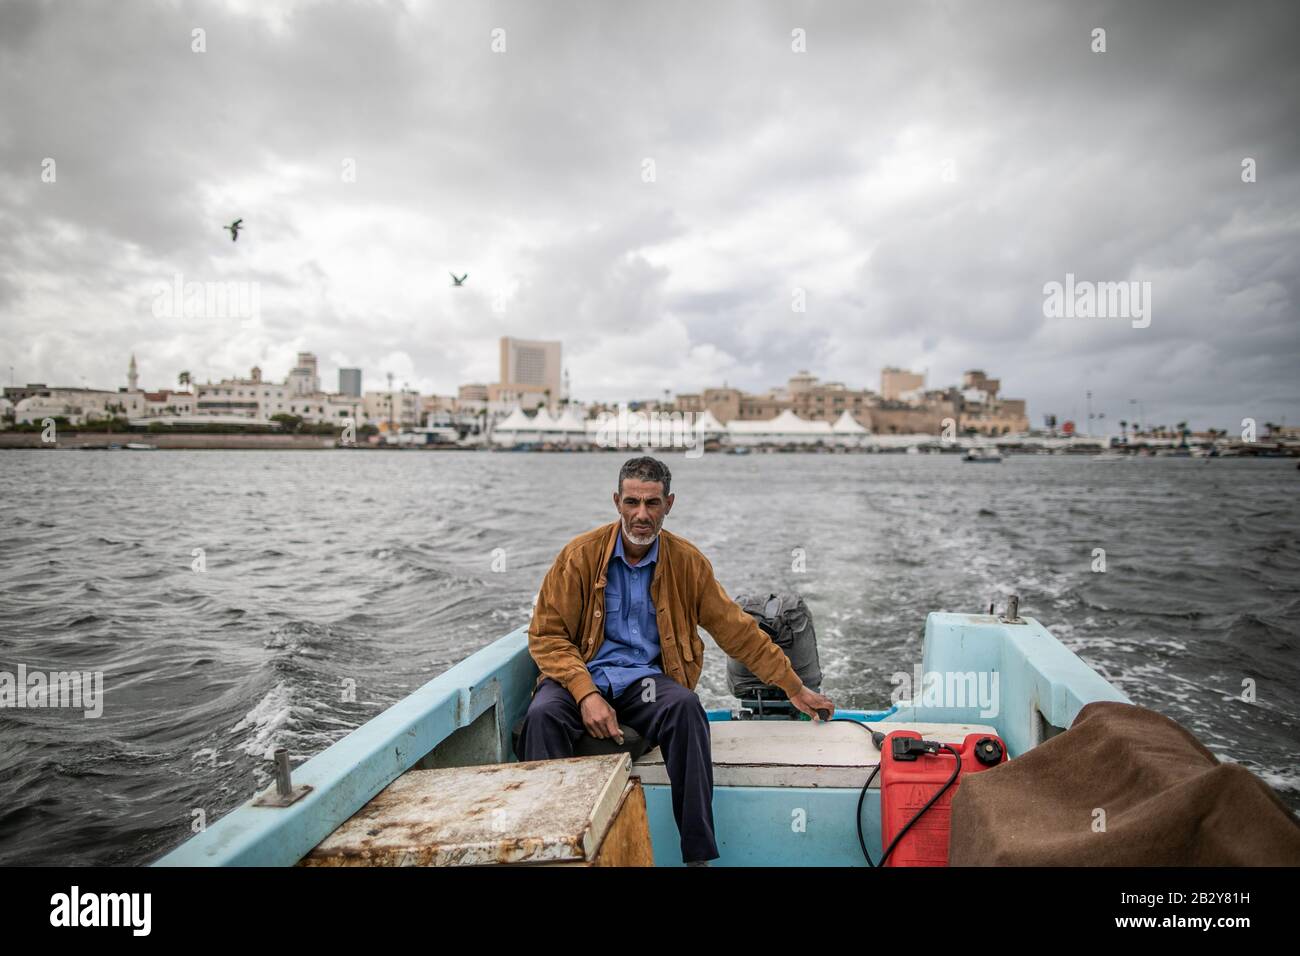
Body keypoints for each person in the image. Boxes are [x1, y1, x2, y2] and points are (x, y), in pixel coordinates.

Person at [516, 455, 836, 865]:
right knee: (541, 717)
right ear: (617, 502)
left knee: (686, 708)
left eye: (652, 503)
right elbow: (547, 636)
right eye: (632, 502)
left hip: (645, 683)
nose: (642, 514)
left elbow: (737, 632)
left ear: (669, 504)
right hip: (581, 675)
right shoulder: (579, 556)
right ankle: (550, 852)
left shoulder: (687, 563)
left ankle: (697, 855)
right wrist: (585, 693)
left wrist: (794, 687)